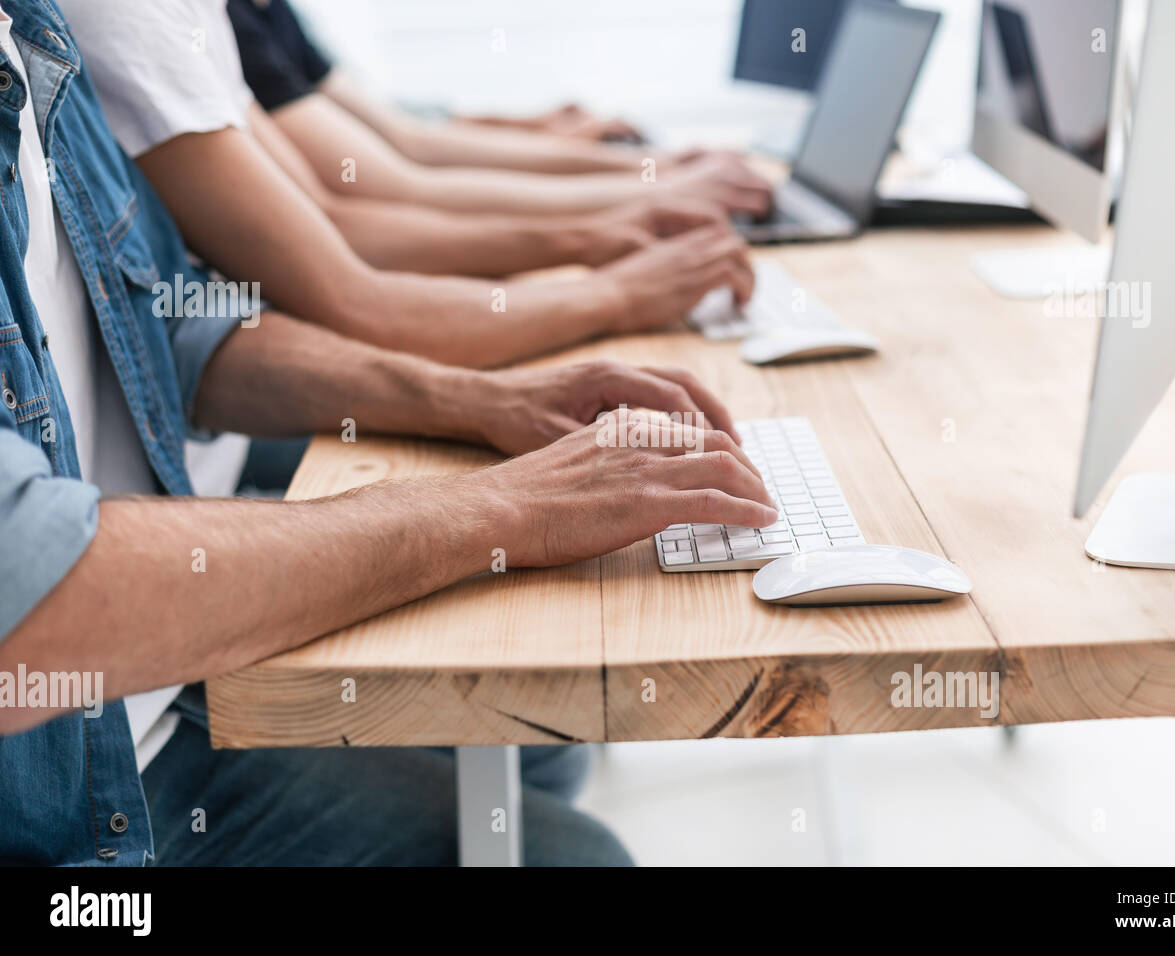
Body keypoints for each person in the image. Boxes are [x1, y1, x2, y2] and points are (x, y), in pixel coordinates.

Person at [0, 0, 778, 866]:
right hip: (65, 801)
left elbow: (171, 327)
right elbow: (28, 592)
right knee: (567, 854)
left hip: (137, 691)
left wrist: (479, 400)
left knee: (535, 745)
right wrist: (501, 507)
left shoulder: (33, 32)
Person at [58, 0, 759, 372]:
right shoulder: (134, 14)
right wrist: (617, 282)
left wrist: (612, 229)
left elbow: (336, 212)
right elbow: (359, 295)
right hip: (216, 461)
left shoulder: (194, 12)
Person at [224, 0, 776, 216]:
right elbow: (402, 180)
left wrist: (655, 169)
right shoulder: (228, 25)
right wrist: (653, 188)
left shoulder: (268, 11)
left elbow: (407, 133)